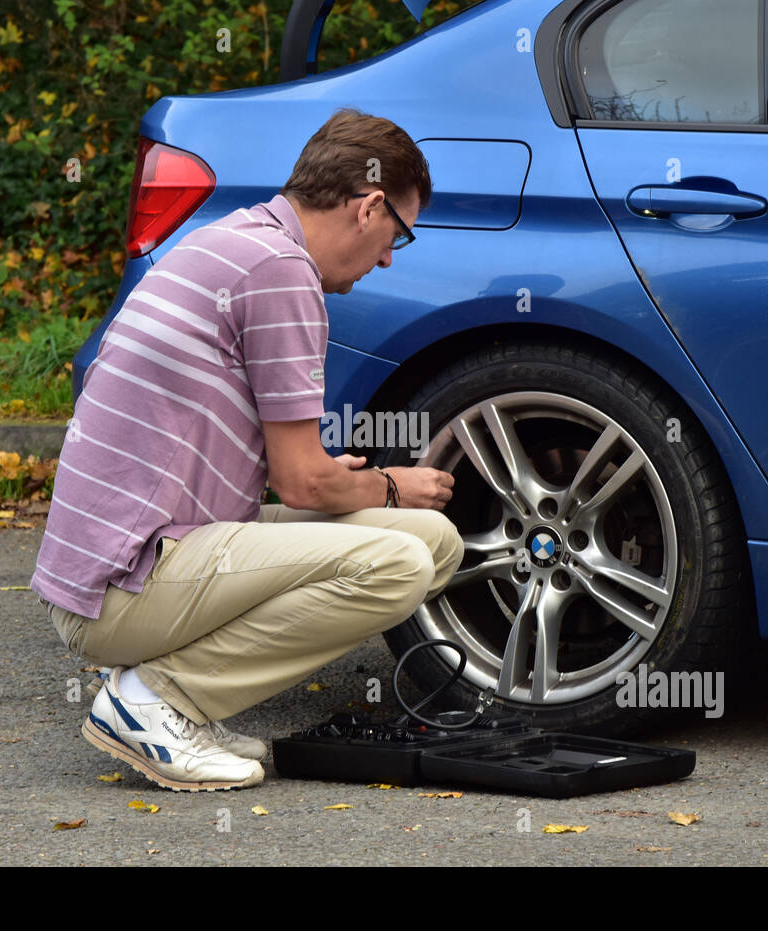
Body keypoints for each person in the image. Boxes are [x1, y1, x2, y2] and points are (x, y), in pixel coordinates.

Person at [30, 108, 464, 792]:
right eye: (397, 236)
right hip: (120, 590)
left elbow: (294, 471)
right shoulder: (281, 273)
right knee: (397, 563)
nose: (386, 257)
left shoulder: (232, 239)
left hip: (138, 559)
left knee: (434, 541)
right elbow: (302, 484)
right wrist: (386, 485)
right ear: (370, 206)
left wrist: (341, 482)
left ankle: (173, 700)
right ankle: (157, 701)